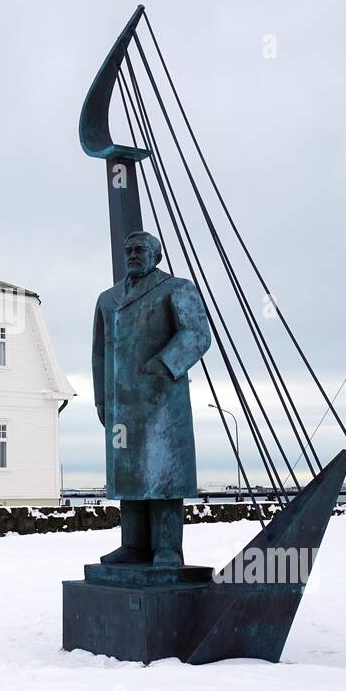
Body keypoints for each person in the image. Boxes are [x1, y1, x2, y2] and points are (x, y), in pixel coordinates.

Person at [91, 231, 212, 566]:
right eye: (128, 250)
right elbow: (100, 353)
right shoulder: (107, 299)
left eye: (140, 249)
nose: (132, 254)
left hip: (162, 400)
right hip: (122, 403)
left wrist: (165, 362)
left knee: (163, 475)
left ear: (157, 256)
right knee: (127, 476)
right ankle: (133, 545)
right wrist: (102, 399)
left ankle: (167, 547)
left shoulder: (176, 288)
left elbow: (197, 333)